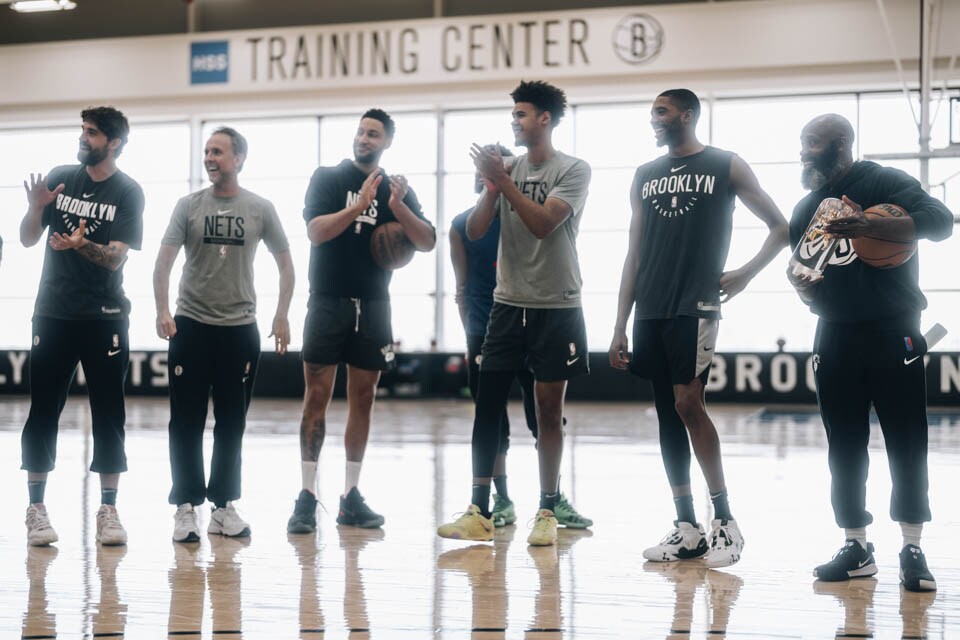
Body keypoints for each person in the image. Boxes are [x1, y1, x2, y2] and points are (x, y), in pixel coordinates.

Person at [608, 89, 788, 567]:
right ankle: (686, 527)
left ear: (687, 115)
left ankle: (725, 522)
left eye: (661, 111)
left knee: (688, 403)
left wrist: (746, 273)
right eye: (652, 111)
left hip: (697, 305)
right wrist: (620, 322)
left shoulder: (726, 164)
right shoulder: (644, 174)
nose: (653, 118)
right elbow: (634, 252)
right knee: (667, 412)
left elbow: (780, 227)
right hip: (651, 308)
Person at [788, 114, 952, 592]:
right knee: (843, 444)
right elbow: (803, 274)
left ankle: (912, 547)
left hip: (893, 330)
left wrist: (870, 225)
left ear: (840, 144)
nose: (803, 151)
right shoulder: (807, 209)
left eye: (811, 142)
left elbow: (942, 223)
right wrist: (802, 287)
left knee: (906, 439)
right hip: (834, 333)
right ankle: (855, 545)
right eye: (802, 141)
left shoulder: (884, 182)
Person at [437, 80, 591, 547]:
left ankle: (547, 508)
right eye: (512, 116)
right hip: (507, 304)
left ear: (545, 119)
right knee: (487, 404)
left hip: (557, 305)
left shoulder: (574, 169)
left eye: (521, 115)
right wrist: (491, 186)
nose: (515, 123)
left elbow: (544, 223)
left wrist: (504, 182)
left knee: (547, 411)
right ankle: (478, 509)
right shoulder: (507, 169)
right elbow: (476, 229)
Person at [287, 108, 436, 533]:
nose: (364, 138)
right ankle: (307, 494)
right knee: (316, 395)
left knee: (364, 397)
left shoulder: (395, 188)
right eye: (361, 131)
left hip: (373, 303)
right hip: (327, 300)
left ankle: (350, 496)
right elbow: (316, 231)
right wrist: (358, 207)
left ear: (386, 142)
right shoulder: (328, 178)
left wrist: (397, 208)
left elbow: (427, 241)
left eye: (373, 134)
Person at [154, 126, 295, 542]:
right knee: (186, 421)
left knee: (232, 423)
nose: (210, 158)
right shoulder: (188, 206)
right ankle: (185, 506)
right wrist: (162, 309)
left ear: (239, 158)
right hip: (191, 326)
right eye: (207, 152)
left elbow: (286, 264)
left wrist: (282, 314)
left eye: (218, 151)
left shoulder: (260, 208)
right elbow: (162, 264)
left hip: (239, 330)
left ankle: (222, 507)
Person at [19, 106, 145, 547]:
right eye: (83, 130)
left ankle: (108, 509)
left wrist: (81, 243)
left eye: (92, 133)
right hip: (53, 313)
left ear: (114, 143)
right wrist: (35, 209)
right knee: (43, 410)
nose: (83, 137)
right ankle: (36, 509)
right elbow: (28, 238)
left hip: (104, 315)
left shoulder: (128, 191)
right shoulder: (59, 178)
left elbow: (115, 257)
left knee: (109, 412)